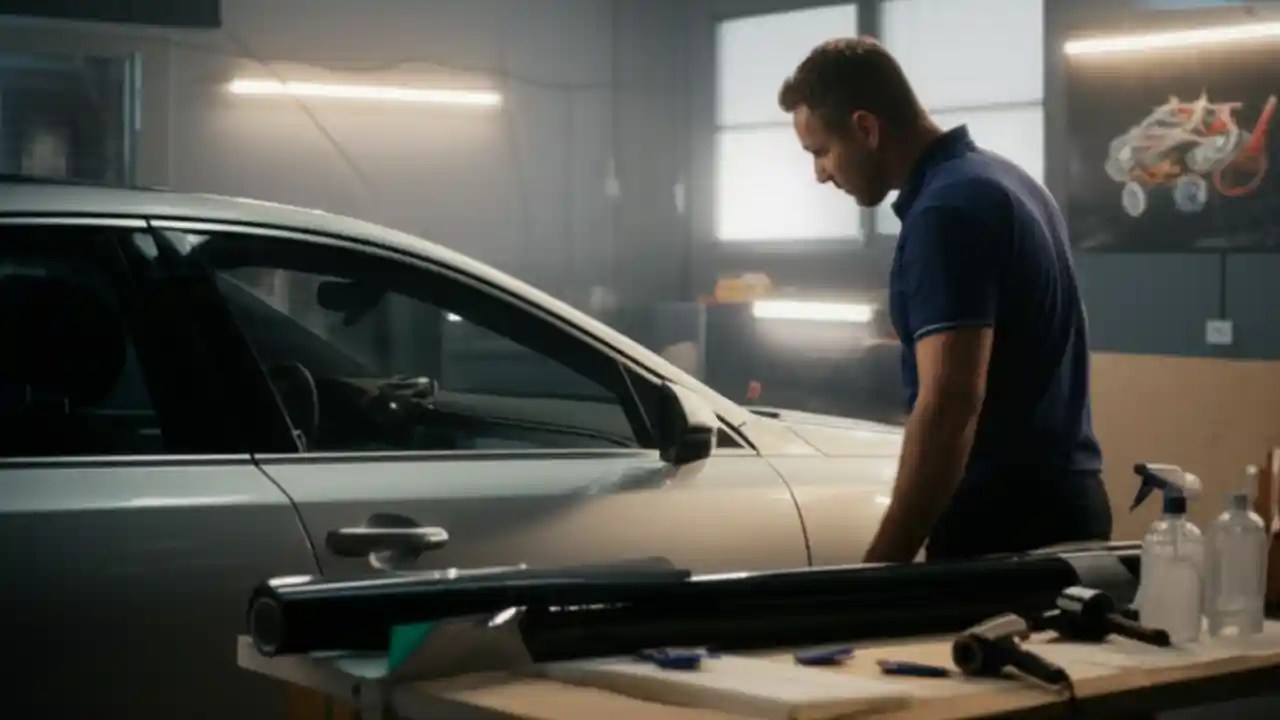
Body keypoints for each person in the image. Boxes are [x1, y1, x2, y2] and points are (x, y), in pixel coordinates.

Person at [778, 38, 1111, 562]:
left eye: (821, 151)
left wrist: (884, 563)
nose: (820, 173)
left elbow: (951, 400)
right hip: (1070, 504)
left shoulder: (947, 212)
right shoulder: (1006, 179)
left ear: (866, 128)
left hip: (1002, 525)